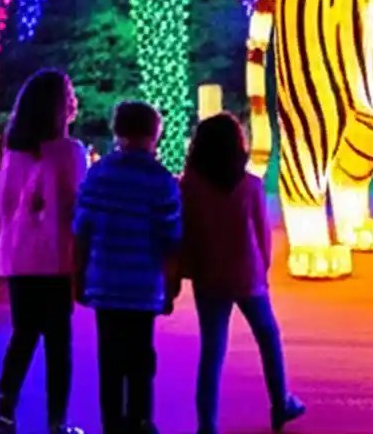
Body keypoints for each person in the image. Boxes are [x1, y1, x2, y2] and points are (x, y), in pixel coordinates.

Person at [174, 113, 306, 434]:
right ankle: (280, 403)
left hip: (208, 275)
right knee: (268, 337)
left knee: (212, 350)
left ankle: (207, 424)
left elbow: (184, 232)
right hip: (247, 274)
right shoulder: (250, 186)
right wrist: (263, 270)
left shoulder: (188, 186)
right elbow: (262, 234)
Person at [75, 101, 182, 434]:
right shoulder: (162, 180)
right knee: (140, 358)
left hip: (105, 281)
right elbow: (171, 238)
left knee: (109, 358)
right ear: (154, 134)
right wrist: (171, 283)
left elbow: (82, 230)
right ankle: (140, 420)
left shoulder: (98, 175)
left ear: (116, 131)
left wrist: (78, 276)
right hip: (143, 285)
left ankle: (112, 424)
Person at [0, 69, 87, 434]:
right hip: (54, 258)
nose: (73, 100)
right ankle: (57, 422)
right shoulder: (70, 152)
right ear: (56, 106)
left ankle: (4, 411)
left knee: (23, 335)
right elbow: (79, 205)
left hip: (17, 258)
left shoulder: (13, 153)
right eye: (68, 94)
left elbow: (3, 204)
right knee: (58, 343)